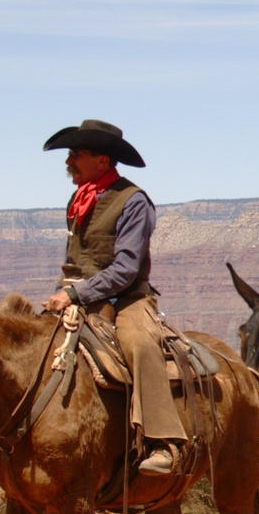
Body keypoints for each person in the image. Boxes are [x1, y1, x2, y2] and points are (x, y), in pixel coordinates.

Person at [40, 119, 184, 475]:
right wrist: (67, 292)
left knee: (141, 346)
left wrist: (75, 292)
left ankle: (161, 441)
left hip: (127, 298)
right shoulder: (79, 199)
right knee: (23, 342)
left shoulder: (134, 202)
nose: (68, 162)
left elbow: (126, 270)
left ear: (102, 160)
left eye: (76, 154)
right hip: (76, 294)